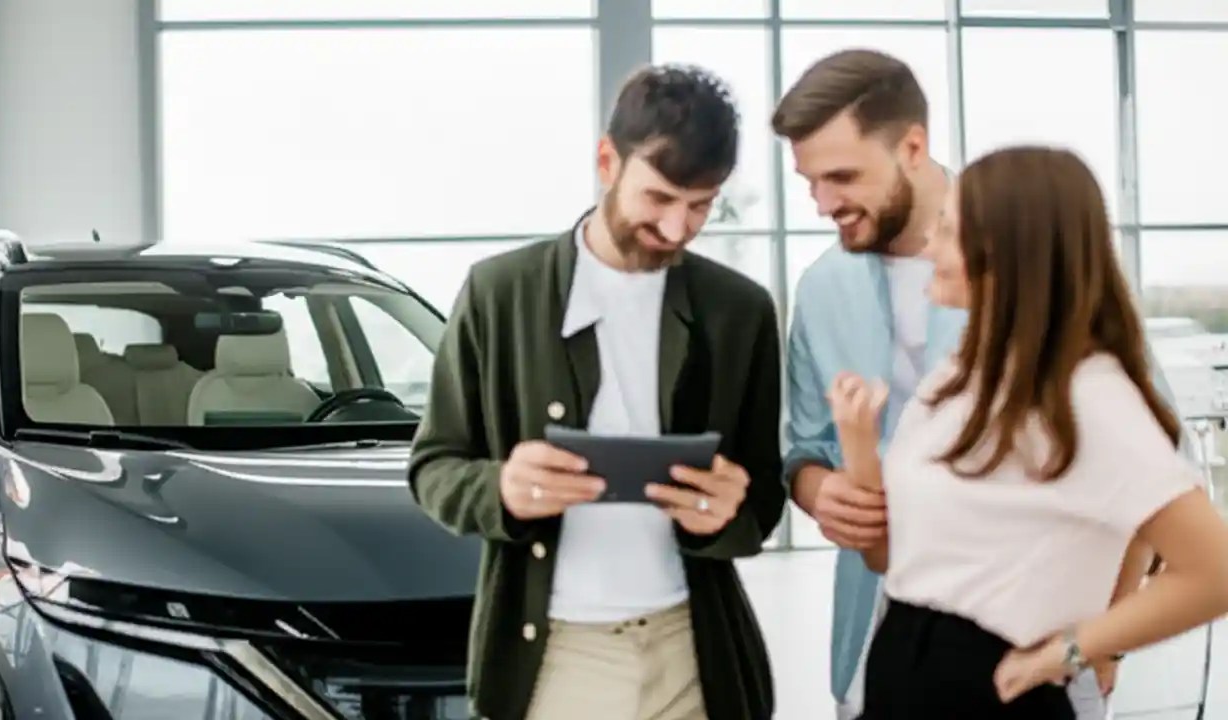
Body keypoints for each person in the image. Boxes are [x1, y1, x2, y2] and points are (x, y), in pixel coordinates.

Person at [770, 48, 1170, 719]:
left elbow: (1157, 482)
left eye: (841, 177)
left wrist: (1101, 645)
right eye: (809, 183)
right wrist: (820, 490)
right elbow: (803, 451)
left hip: (1029, 650)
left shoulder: (1035, 274)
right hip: (880, 643)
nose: (822, 204)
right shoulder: (820, 288)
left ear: (913, 147)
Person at [409, 63, 786, 720]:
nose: (677, 229)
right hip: (557, 657)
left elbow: (763, 504)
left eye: (702, 205)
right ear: (607, 160)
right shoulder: (500, 294)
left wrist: (729, 512)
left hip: (692, 653)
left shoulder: (740, 311)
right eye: (659, 198)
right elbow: (433, 469)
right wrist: (502, 488)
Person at [826, 145, 1228, 717]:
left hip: (993, 694)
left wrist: (1075, 649)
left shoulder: (1085, 394)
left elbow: (1215, 572)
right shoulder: (962, 372)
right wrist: (860, 448)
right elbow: (893, 559)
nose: (926, 246)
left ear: (1005, 253)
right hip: (900, 674)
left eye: (947, 230)